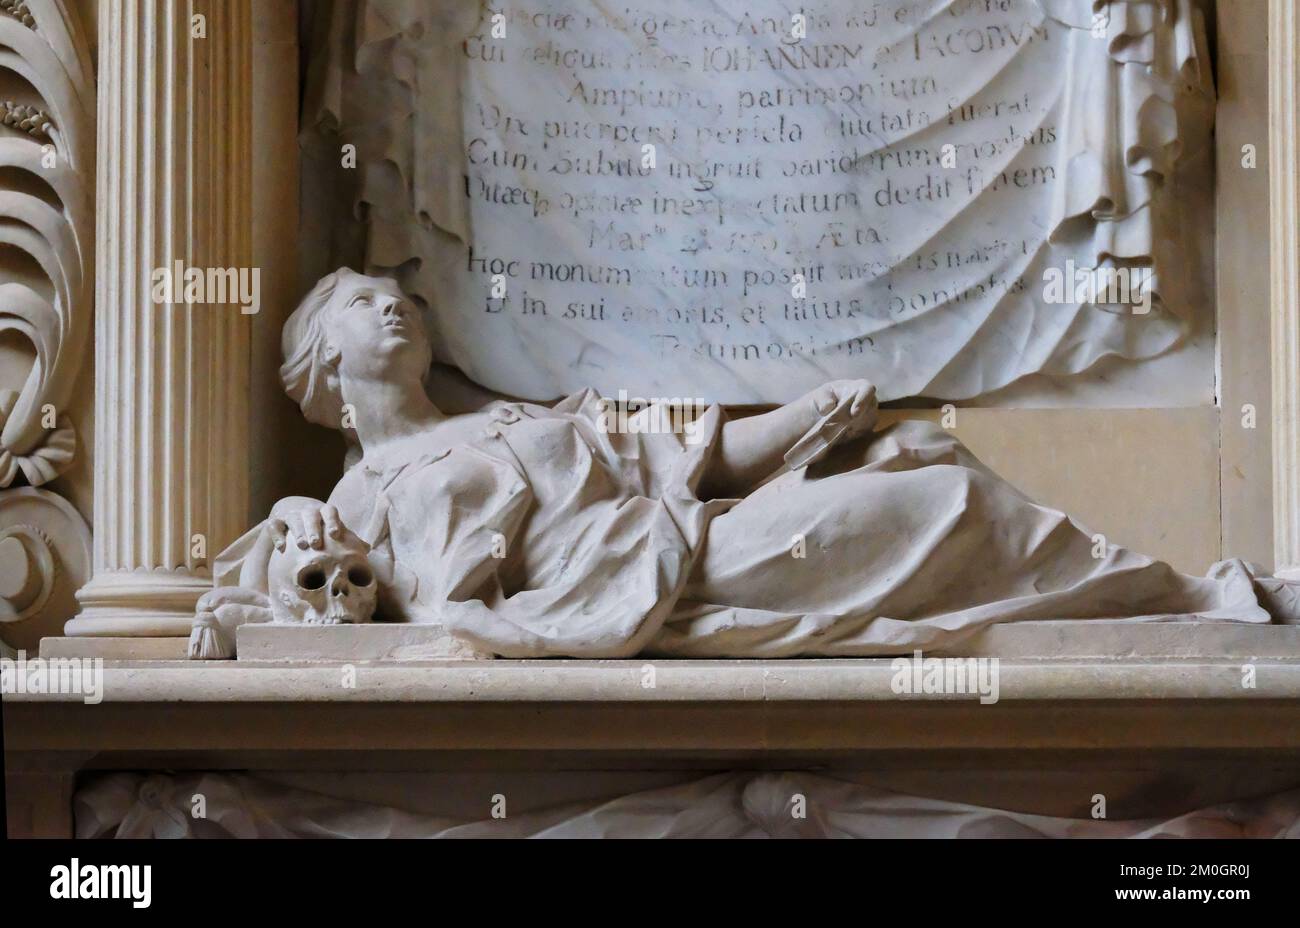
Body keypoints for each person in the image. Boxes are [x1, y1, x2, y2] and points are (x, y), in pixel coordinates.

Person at [189, 269, 1296, 660]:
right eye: (355, 301)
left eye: (397, 294)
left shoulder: (512, 419)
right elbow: (297, 599)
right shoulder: (345, 501)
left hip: (681, 545)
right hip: (635, 590)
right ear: (318, 364)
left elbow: (690, 453)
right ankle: (1196, 603)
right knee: (946, 499)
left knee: (923, 450)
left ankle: (1183, 598)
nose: (389, 301)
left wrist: (812, 416)